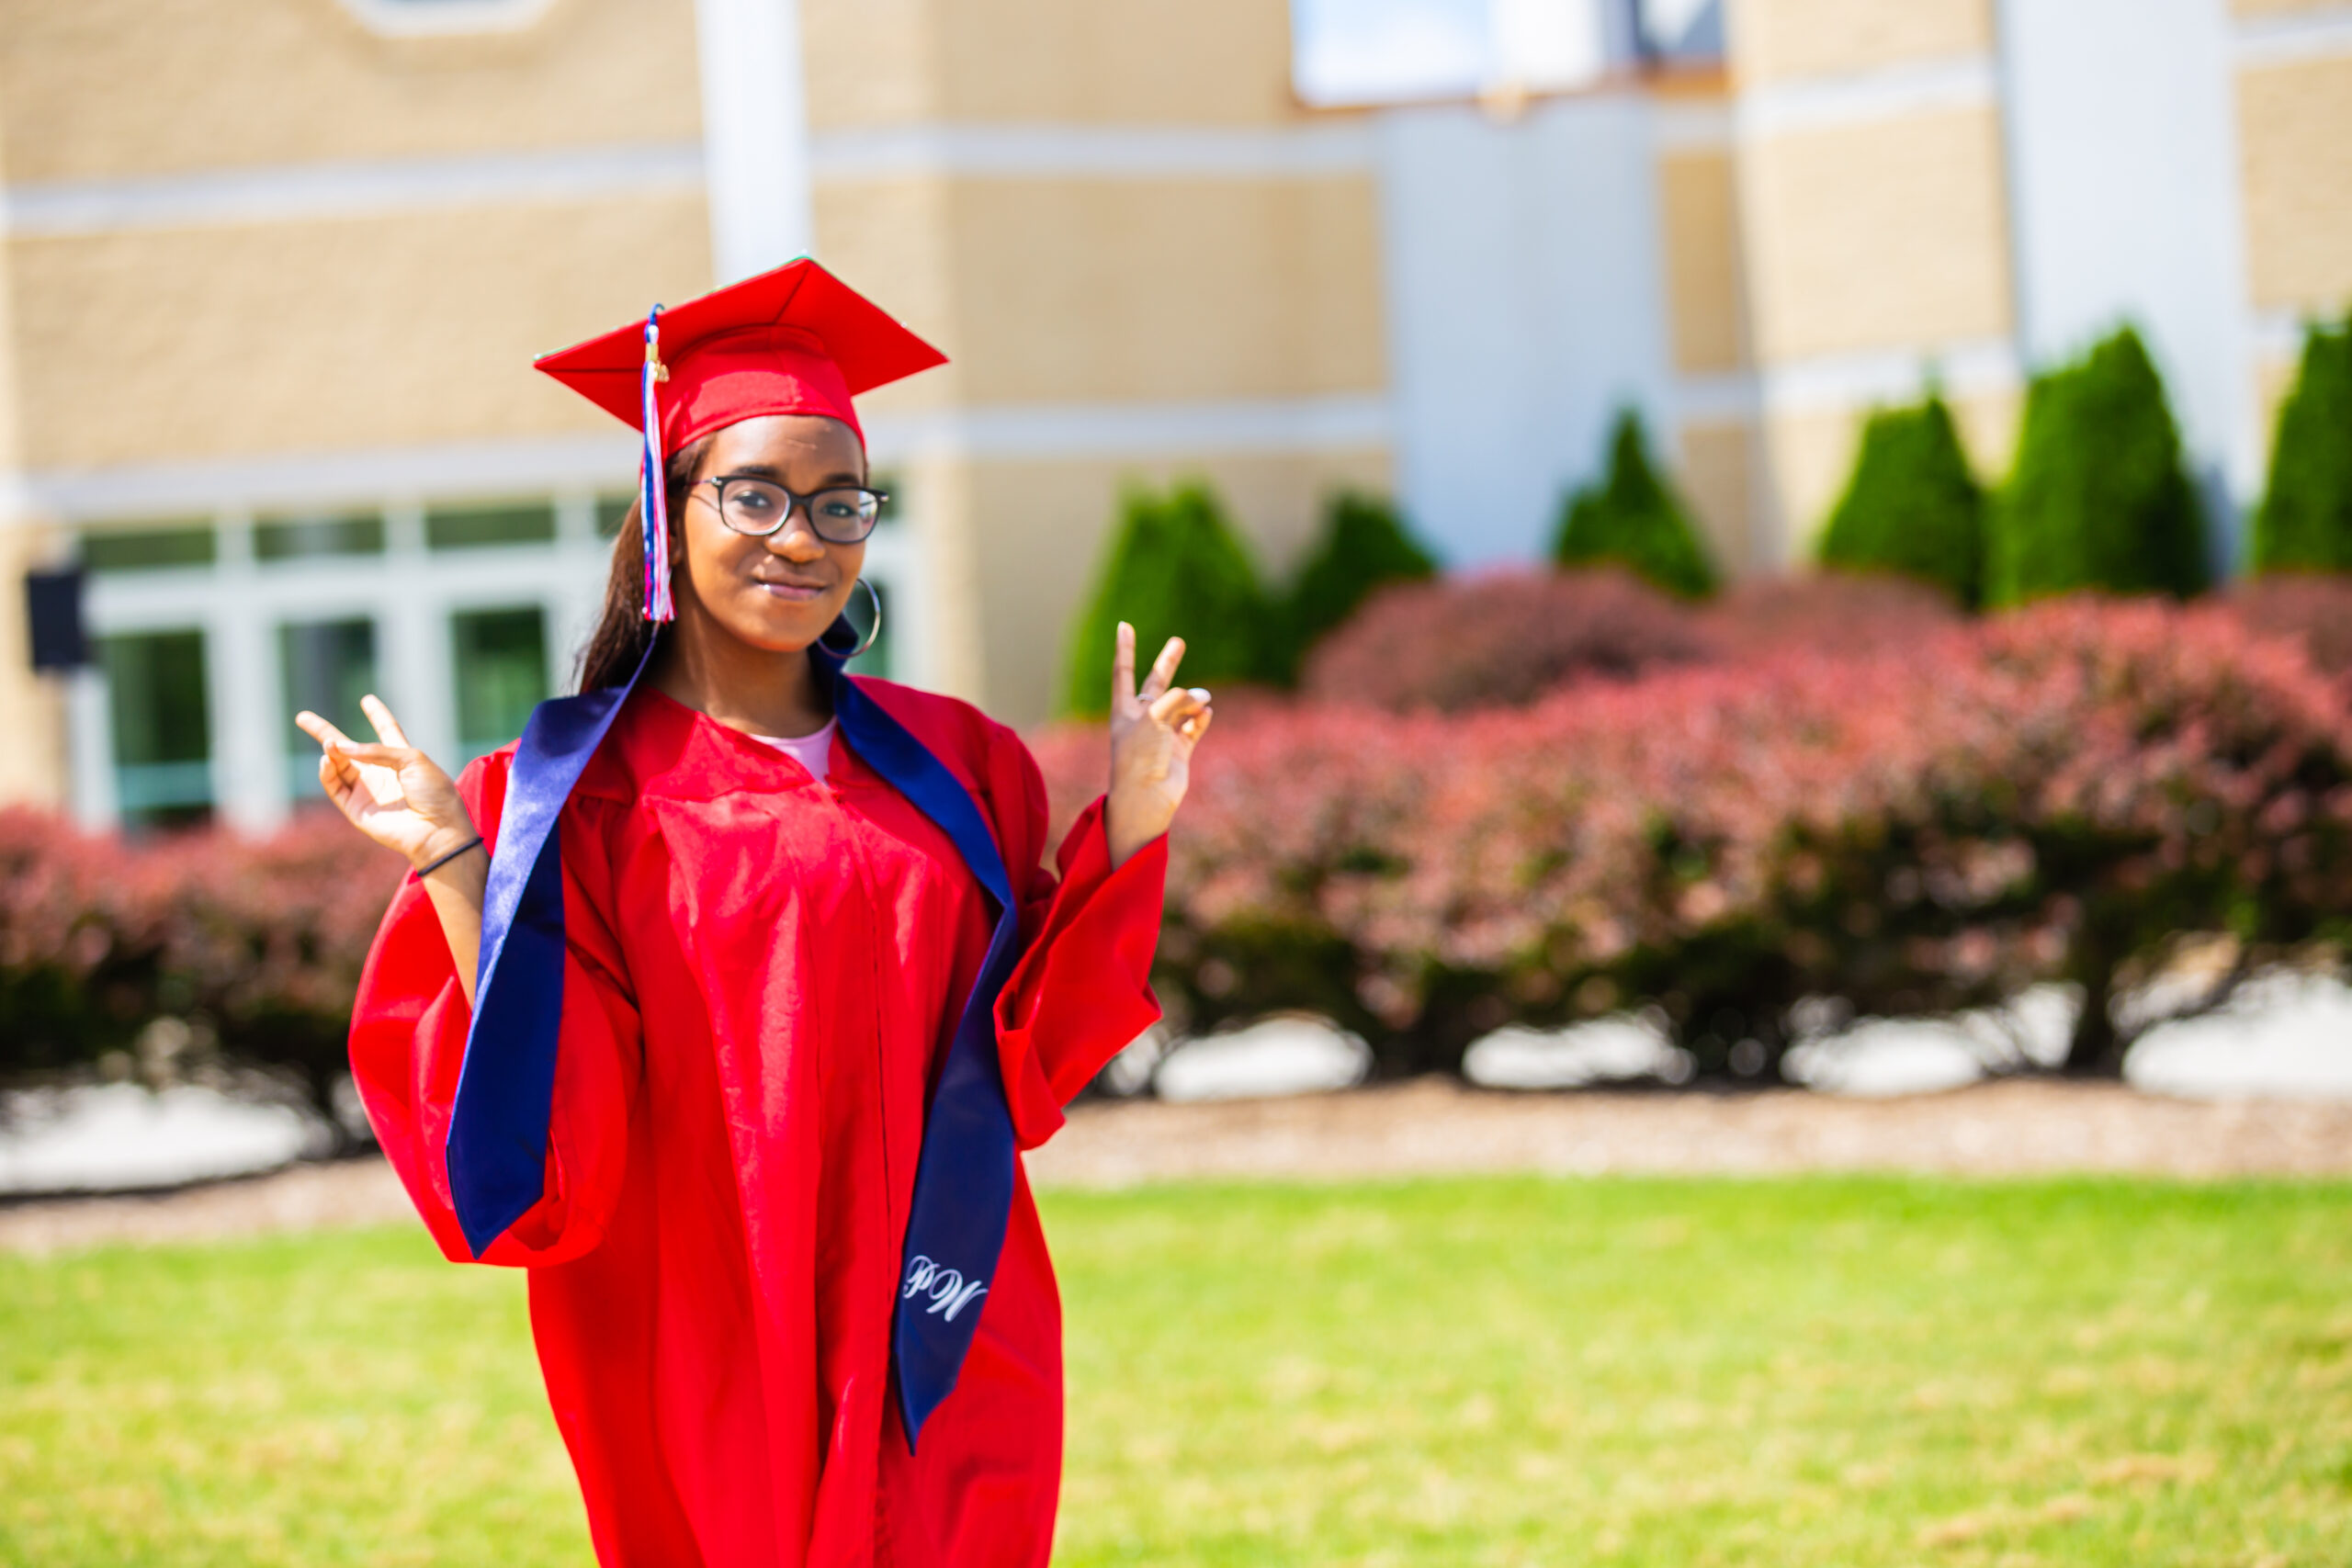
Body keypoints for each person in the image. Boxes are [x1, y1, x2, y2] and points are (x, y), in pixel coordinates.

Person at [299, 259, 1212, 1567]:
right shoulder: (564, 797)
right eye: (758, 495)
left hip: (945, 1308)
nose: (804, 536)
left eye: (843, 503)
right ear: (666, 517)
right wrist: (455, 859)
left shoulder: (962, 766)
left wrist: (1130, 821)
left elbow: (1029, 1059)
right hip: (712, 1315)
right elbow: (546, 1122)